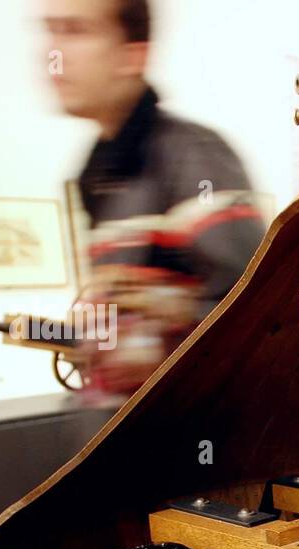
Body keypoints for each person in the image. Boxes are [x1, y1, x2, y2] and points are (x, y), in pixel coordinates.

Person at [42, 0, 265, 397]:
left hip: (196, 439)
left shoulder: (193, 155)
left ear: (133, 55)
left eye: (75, 31)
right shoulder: (97, 172)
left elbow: (254, 308)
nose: (53, 53)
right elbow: (123, 326)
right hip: (130, 430)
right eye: (50, 30)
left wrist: (151, 320)